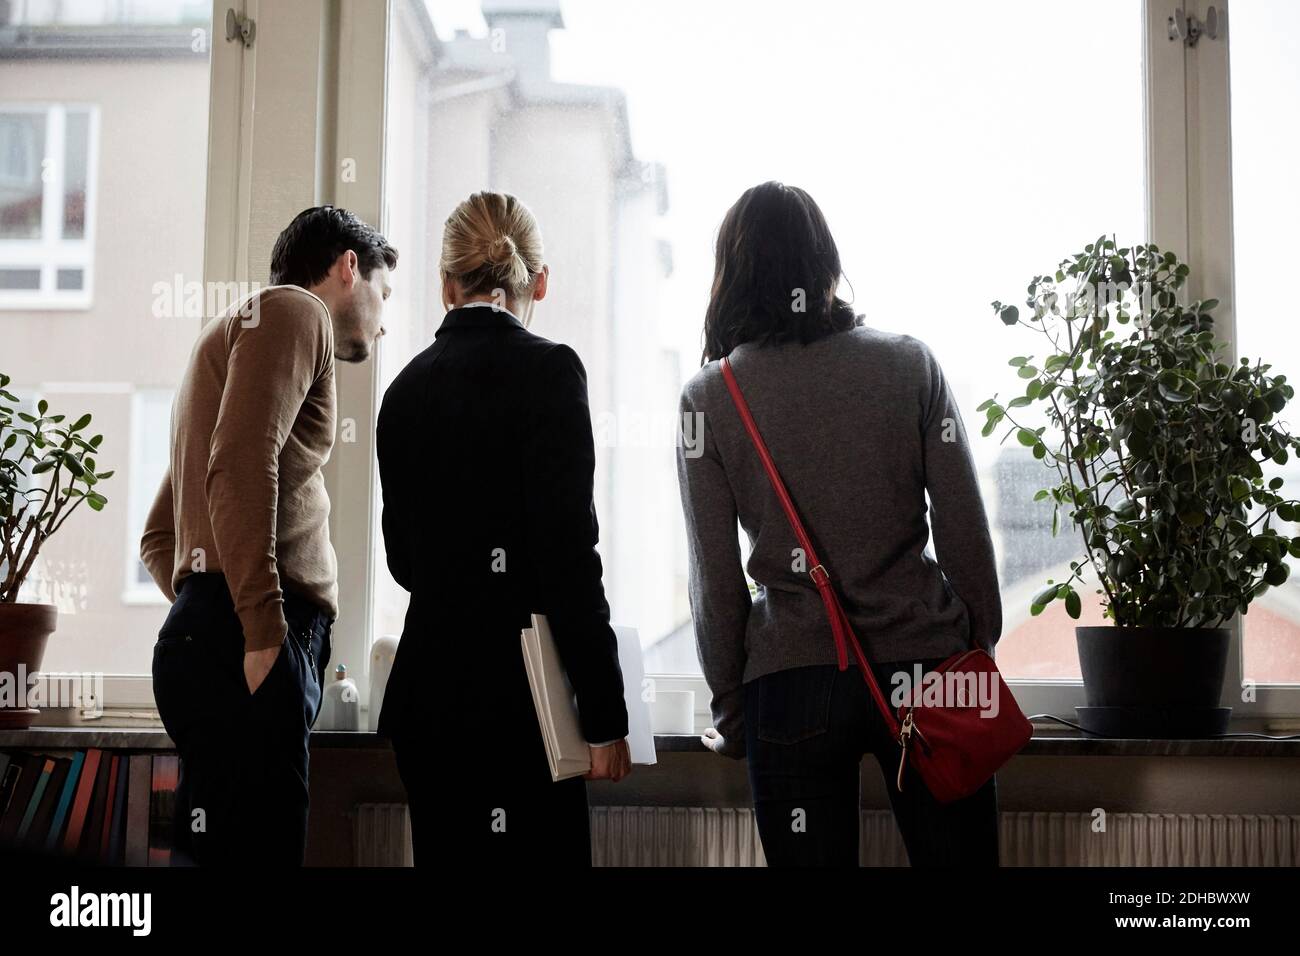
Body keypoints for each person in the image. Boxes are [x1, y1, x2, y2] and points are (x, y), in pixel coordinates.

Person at [676, 181, 1002, 867]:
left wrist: (732, 703)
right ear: (826, 264)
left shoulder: (710, 397)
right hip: (928, 669)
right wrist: (975, 650)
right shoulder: (909, 364)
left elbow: (714, 577)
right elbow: (964, 526)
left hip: (791, 681)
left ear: (731, 275)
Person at [375, 190, 631, 867]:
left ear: (444, 285)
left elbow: (404, 563)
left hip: (428, 708)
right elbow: (569, 559)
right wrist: (604, 715)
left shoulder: (402, 391)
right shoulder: (550, 372)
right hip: (526, 709)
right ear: (537, 280)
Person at [141, 206, 397, 866]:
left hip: (209, 637)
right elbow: (243, 457)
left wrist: (202, 619)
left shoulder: (223, 339)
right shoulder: (295, 312)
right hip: (250, 637)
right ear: (348, 266)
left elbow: (157, 535)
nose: (384, 317)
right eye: (383, 292)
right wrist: (256, 630)